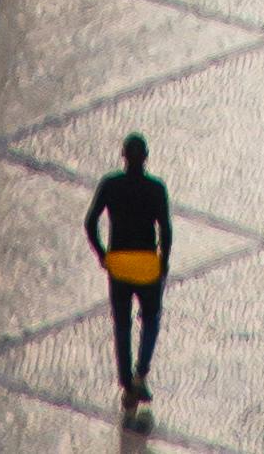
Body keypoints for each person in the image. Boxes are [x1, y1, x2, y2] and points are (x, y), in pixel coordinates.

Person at [84, 138, 172, 418]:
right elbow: (166, 230)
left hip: (119, 265)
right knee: (151, 319)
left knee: (121, 323)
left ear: (122, 156)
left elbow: (90, 222)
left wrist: (102, 254)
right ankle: (141, 373)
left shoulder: (110, 185)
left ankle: (125, 383)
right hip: (147, 265)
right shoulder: (156, 188)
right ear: (146, 157)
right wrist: (163, 263)